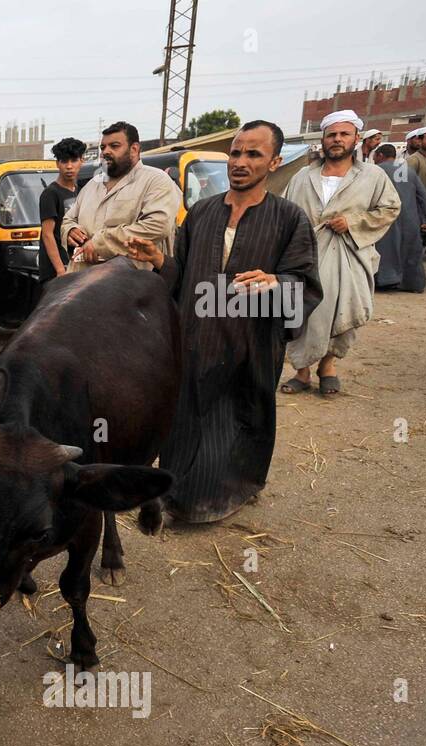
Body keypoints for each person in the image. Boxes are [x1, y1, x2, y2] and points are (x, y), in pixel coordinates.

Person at [128, 120, 321, 523]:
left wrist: (275, 282)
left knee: (240, 417)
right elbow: (183, 276)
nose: (240, 161)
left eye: (253, 154)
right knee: (185, 416)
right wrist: (160, 260)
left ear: (274, 162)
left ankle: (234, 490)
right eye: (236, 152)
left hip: (251, 339)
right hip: (197, 336)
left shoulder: (289, 219)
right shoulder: (201, 212)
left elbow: (305, 284)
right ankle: (178, 496)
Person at [282, 109, 400, 396]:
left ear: (356, 139)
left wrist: (353, 223)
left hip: (351, 256)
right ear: (323, 139)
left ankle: (328, 366)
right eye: (331, 134)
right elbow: (284, 211)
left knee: (342, 311)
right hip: (306, 256)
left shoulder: (372, 176)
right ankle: (302, 371)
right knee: (303, 312)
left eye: (344, 134)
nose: (337, 139)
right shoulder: (301, 176)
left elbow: (390, 208)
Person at [60, 121, 179, 271]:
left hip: (129, 285)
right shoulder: (93, 184)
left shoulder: (156, 180)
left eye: (114, 146)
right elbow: (68, 219)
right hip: (83, 281)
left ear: (134, 149)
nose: (105, 152)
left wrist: (100, 243)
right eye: (103, 147)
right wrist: (71, 230)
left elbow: (156, 226)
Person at [374, 143, 426, 293]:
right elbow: (423, 196)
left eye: (375, 156)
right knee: (410, 250)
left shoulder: (376, 171)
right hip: (410, 217)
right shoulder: (409, 171)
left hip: (385, 216)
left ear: (380, 155)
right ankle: (412, 284)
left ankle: (386, 281)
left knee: (386, 250)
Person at [38, 137, 85, 282]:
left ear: (81, 161)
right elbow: (47, 234)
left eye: (74, 160)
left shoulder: (80, 191)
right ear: (57, 163)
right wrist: (60, 270)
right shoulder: (50, 193)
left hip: (75, 264)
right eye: (64, 161)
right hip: (56, 269)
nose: (69, 166)